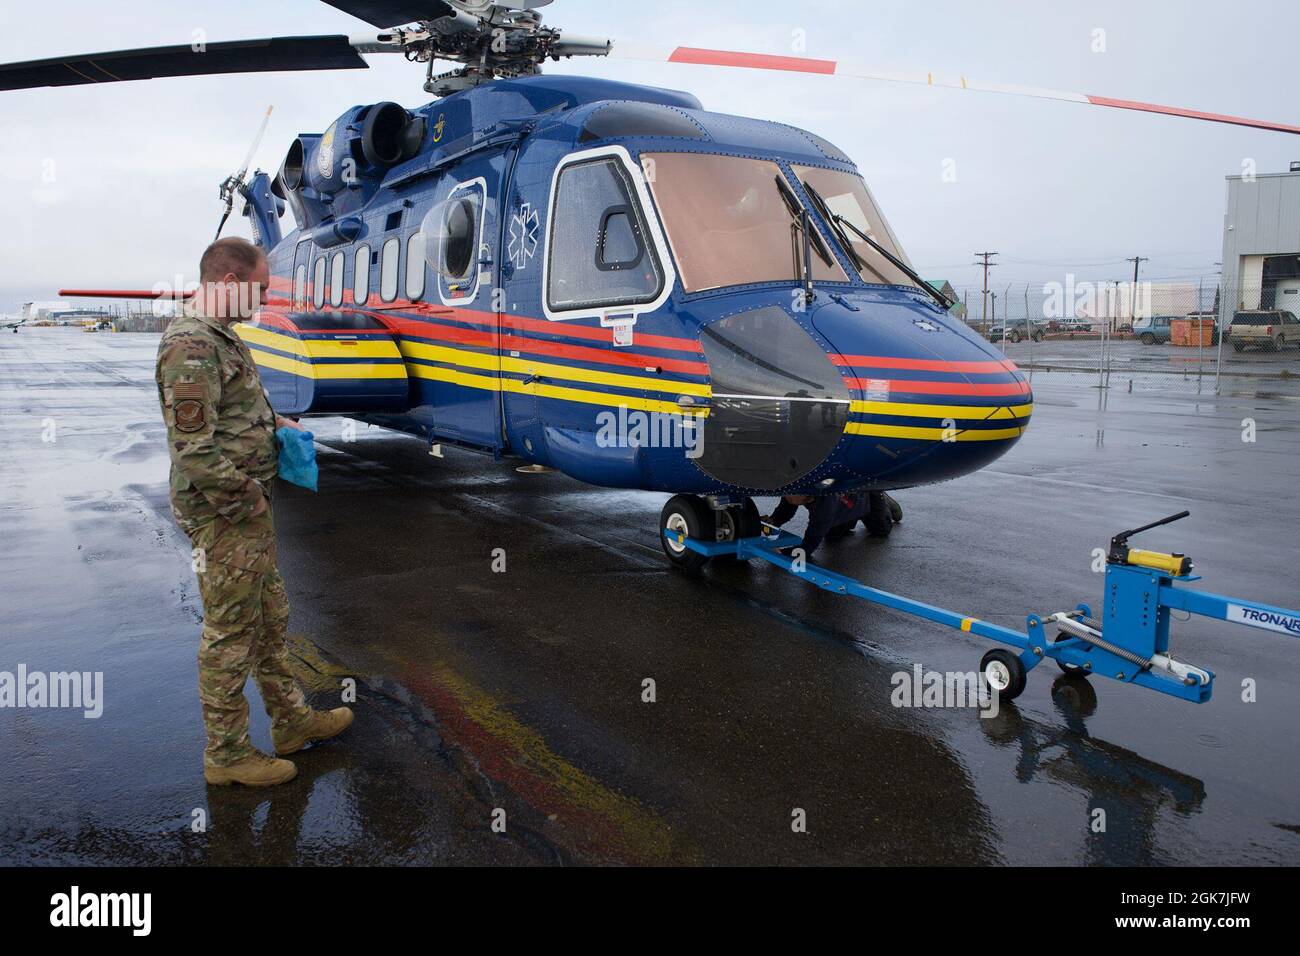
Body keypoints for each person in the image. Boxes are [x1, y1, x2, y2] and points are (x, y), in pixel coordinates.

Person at [155, 237, 352, 787]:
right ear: (227, 283)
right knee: (230, 633)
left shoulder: (223, 338)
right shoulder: (192, 346)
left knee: (269, 620)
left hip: (246, 513)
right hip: (226, 515)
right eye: (259, 288)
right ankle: (227, 754)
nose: (263, 299)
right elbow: (193, 449)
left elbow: (234, 413)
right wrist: (247, 497)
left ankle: (291, 721)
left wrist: (277, 428)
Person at [764, 491, 901, 558]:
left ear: (808, 494)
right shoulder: (795, 491)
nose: (787, 498)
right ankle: (850, 517)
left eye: (790, 496)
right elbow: (786, 509)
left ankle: (883, 500)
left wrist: (783, 552)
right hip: (844, 506)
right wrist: (773, 521)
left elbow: (808, 547)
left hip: (866, 497)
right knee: (832, 537)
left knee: (881, 531)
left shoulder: (824, 507)